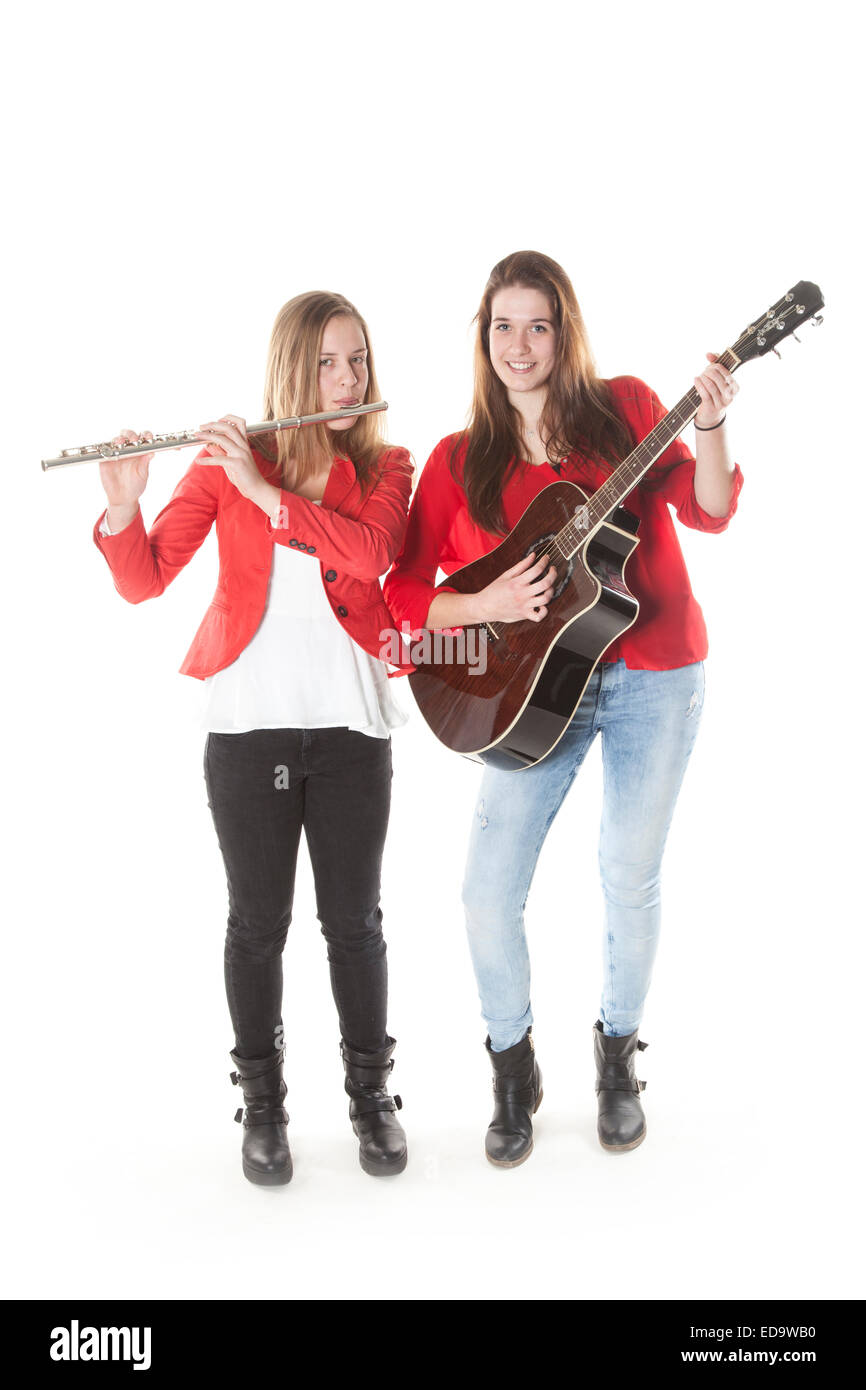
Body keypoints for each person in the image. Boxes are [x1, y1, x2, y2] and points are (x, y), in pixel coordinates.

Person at [384, 250, 743, 1167]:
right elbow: (403, 593)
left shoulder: (623, 408)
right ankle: (513, 1068)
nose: (519, 343)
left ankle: (618, 1058)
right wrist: (487, 607)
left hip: (652, 674)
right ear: (483, 338)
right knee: (485, 893)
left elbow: (709, 510)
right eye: (502, 325)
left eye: (537, 324)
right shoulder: (460, 459)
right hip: (529, 698)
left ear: (563, 331)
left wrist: (708, 427)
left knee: (628, 873)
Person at [94, 291, 413, 1186]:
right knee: (256, 926)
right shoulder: (226, 463)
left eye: (357, 360)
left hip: (350, 730)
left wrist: (266, 494)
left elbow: (370, 552)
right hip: (246, 730)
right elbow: (145, 580)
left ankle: (371, 1096)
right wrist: (124, 506)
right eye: (326, 363)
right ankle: (264, 1108)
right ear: (290, 368)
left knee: (354, 925)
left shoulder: (389, 464)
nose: (346, 379)